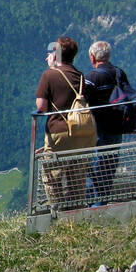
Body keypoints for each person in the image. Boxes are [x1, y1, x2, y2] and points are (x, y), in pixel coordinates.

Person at [36, 36, 98, 208]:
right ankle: (76, 212)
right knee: (77, 177)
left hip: (59, 132)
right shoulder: (80, 75)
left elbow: (41, 106)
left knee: (51, 175)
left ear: (56, 56)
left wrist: (51, 68)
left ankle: (59, 212)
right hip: (82, 133)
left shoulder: (49, 75)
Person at [85, 41, 128, 204]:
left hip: (97, 127)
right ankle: (102, 200)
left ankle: (92, 203)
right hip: (117, 126)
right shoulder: (118, 73)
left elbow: (83, 100)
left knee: (95, 166)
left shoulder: (92, 77)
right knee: (109, 164)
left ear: (92, 56)